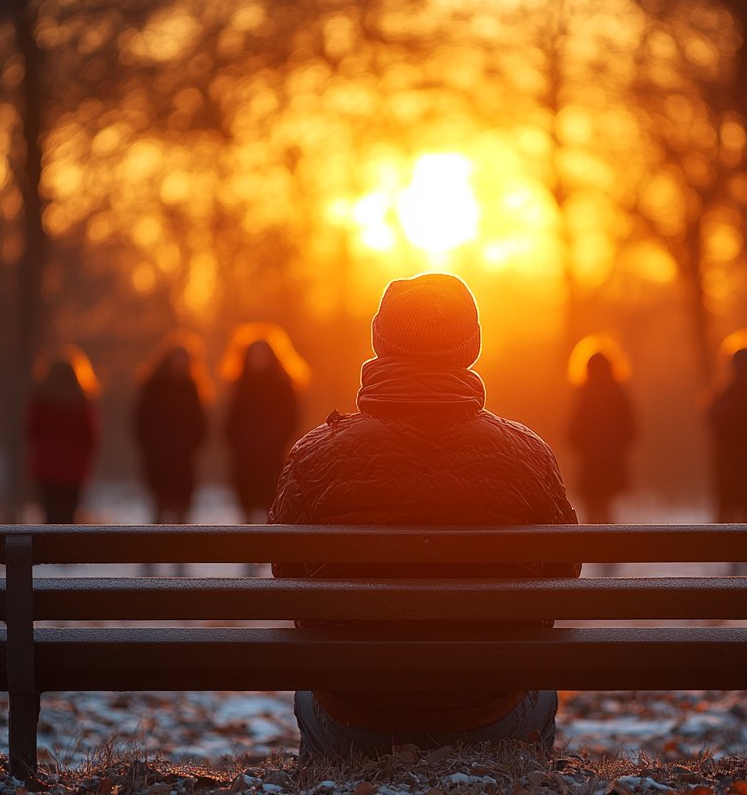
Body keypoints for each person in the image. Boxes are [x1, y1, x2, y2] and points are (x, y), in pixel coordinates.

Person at [269, 272, 580, 759]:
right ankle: (519, 769)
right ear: (472, 344)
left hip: (357, 711)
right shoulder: (526, 454)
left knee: (316, 685)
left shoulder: (315, 454)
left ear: (379, 342)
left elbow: (288, 576)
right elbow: (563, 573)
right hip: (488, 709)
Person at [223, 327, 305, 526]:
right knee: (247, 508)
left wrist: (275, 441)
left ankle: (268, 553)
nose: (258, 358)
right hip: (245, 458)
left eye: (262, 354)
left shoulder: (283, 385)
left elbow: (291, 419)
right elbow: (230, 421)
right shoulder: (240, 384)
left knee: (271, 506)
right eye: (254, 354)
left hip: (272, 457)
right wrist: (239, 444)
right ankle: (248, 553)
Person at [133, 333, 210, 527]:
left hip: (183, 461)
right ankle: (154, 552)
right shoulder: (153, 387)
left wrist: (188, 447)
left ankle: (180, 553)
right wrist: (154, 447)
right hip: (158, 460)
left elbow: (200, 426)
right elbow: (141, 423)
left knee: (182, 510)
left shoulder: (192, 389)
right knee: (159, 507)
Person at [25, 346, 100, 525]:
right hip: (73, 471)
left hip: (46, 469)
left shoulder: (41, 399)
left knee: (49, 517)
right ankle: (65, 550)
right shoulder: (82, 402)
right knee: (68, 518)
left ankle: (50, 550)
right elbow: (91, 437)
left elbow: (31, 431)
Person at [567, 348, 636, 525]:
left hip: (592, 466)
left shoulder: (585, 395)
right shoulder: (618, 394)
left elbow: (571, 432)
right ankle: (608, 547)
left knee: (594, 513)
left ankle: (593, 548)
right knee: (606, 512)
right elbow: (631, 430)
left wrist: (588, 449)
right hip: (608, 465)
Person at [706, 346, 747, 522]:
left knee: (732, 517)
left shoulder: (741, 390)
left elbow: (721, 418)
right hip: (746, 463)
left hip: (736, 464)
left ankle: (724, 548)